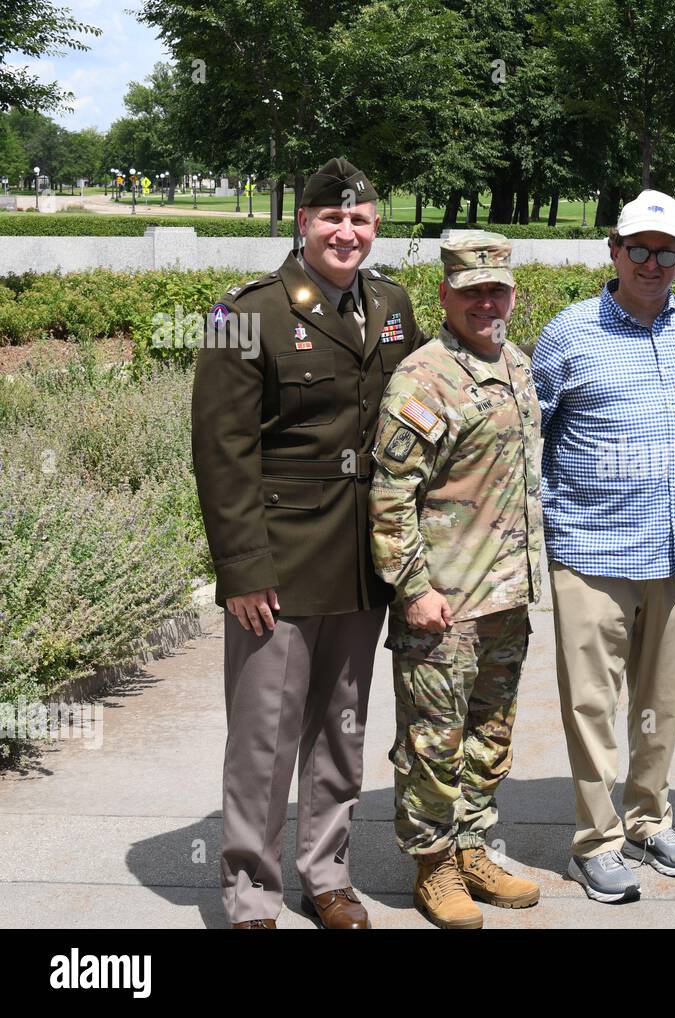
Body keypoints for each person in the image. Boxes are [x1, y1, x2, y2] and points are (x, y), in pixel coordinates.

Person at [192, 157, 427, 929]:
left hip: (363, 563)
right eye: (332, 218)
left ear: (375, 227)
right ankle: (251, 891)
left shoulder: (391, 303)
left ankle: (327, 875)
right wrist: (242, 570)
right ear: (303, 224)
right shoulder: (242, 313)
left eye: (360, 220)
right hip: (281, 563)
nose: (346, 232)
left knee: (343, 729)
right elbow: (222, 454)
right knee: (264, 737)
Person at [531, 190, 675, 904]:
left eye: (665, 251)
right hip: (591, 553)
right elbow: (529, 439)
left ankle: (648, 817)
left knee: (661, 703)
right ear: (613, 251)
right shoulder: (569, 334)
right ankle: (596, 840)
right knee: (591, 707)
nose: (651, 262)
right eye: (637, 248)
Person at [369, 232, 542, 930]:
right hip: (445, 603)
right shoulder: (424, 377)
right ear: (444, 296)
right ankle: (432, 863)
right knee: (432, 744)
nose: (485, 302)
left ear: (511, 293)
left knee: (489, 736)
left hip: (506, 597)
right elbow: (389, 494)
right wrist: (412, 588)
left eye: (496, 290)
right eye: (471, 292)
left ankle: (471, 845)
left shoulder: (518, 366)